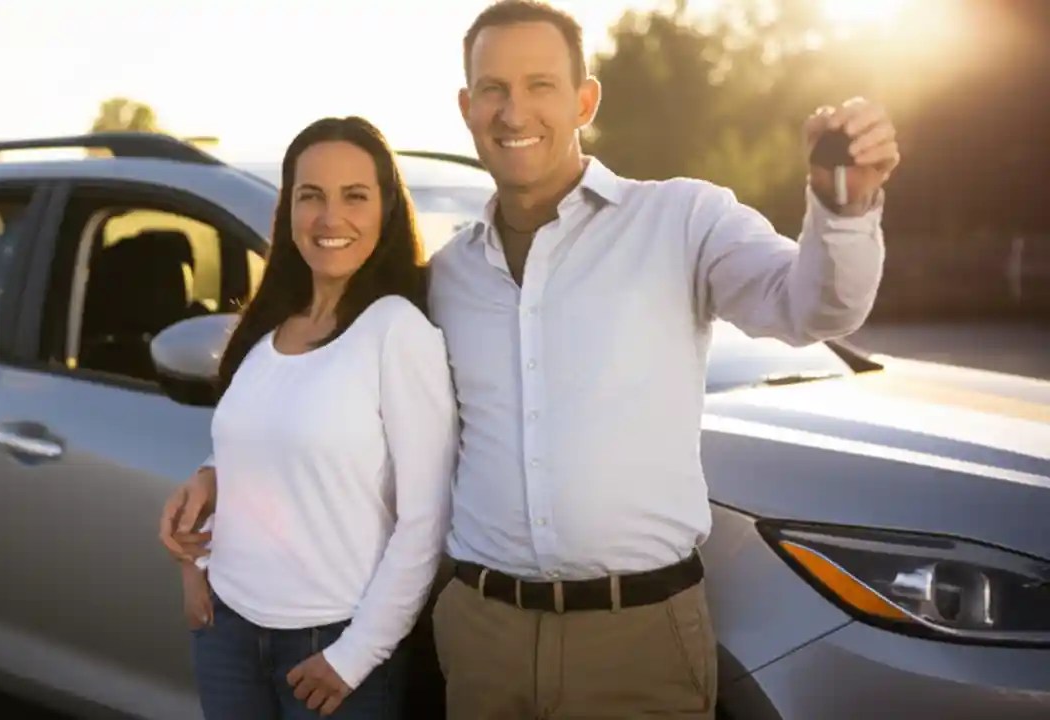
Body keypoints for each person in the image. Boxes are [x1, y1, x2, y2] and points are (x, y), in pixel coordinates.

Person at [164, 1, 902, 717]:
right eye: (493, 90)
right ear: (466, 106)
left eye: (539, 86)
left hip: (636, 636)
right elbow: (345, 410)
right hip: (483, 638)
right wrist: (221, 475)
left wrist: (843, 211)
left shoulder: (680, 220)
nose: (514, 113)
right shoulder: (446, 277)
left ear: (585, 100)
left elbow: (815, 309)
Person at [168, 116, 458, 720]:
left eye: (355, 196)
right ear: (289, 209)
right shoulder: (267, 326)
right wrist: (200, 531)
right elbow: (252, 444)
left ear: (386, 210)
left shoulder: (397, 332)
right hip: (226, 630)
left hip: (330, 651)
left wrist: (355, 656)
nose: (332, 218)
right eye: (312, 196)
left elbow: (425, 520)